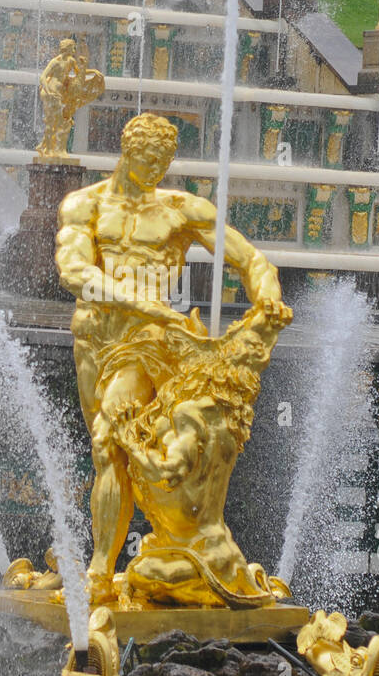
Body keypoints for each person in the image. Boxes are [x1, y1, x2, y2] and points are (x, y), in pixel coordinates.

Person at [54, 113, 289, 596]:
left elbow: (251, 260)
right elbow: (74, 272)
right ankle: (162, 545)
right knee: (110, 457)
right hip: (97, 337)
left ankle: (99, 571)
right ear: (125, 149)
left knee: (106, 439)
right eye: (147, 158)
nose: (156, 168)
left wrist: (267, 295)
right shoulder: (86, 205)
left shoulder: (182, 209)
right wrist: (141, 300)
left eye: (164, 160)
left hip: (151, 343)